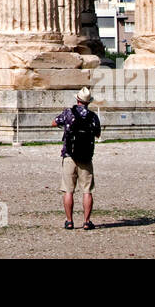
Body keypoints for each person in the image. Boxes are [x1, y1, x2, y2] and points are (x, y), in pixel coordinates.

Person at [54, 87, 101, 230]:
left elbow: (54, 122)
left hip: (69, 154)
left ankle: (69, 221)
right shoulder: (93, 116)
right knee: (87, 190)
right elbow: (98, 134)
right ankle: (87, 221)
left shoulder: (68, 113)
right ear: (88, 102)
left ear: (77, 100)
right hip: (86, 156)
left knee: (68, 190)